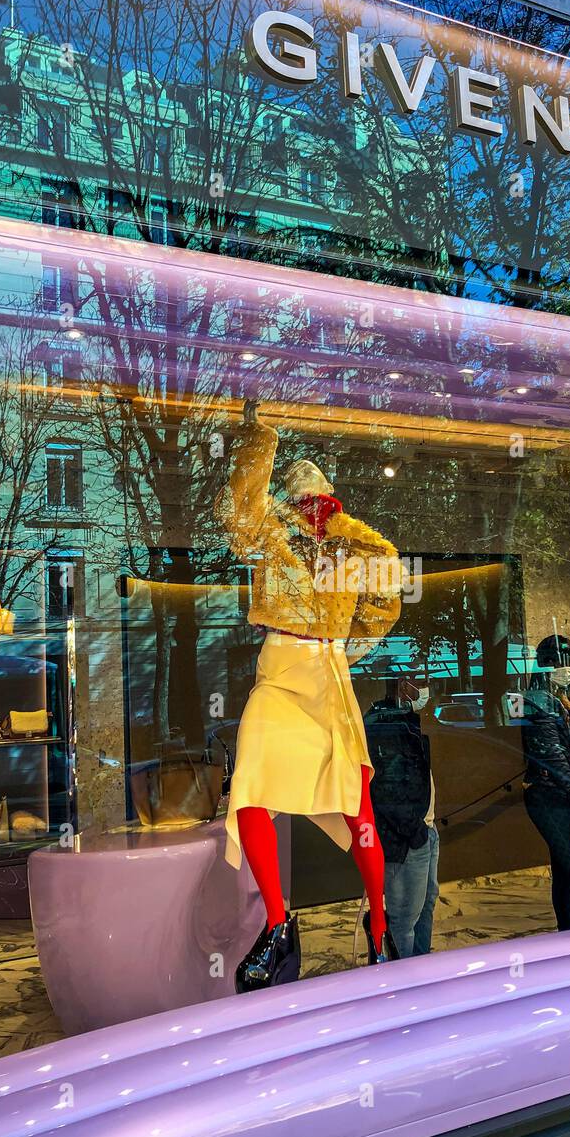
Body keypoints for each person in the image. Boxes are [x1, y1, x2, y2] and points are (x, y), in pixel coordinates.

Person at [215, 401, 403, 991]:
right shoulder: (271, 540)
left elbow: (390, 578)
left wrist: (338, 524)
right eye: (303, 504)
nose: (310, 512)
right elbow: (240, 512)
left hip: (327, 677)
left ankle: (377, 922)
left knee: (356, 806)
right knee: (249, 788)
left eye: (319, 502)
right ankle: (276, 925)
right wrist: (257, 437)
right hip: (280, 674)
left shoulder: (350, 549)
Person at [521, 634, 570, 931]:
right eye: (557, 663)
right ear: (544, 666)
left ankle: (568, 936)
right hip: (549, 796)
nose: (565, 669)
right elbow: (553, 758)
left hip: (565, 794)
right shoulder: (539, 701)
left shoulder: (569, 700)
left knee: (567, 871)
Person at [364, 673, 440, 957]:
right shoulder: (383, 722)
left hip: (424, 831)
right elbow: (384, 788)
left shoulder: (403, 718)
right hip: (406, 839)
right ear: (401, 684)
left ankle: (421, 974)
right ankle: (404, 987)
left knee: (425, 905)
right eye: (418, 681)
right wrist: (414, 831)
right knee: (404, 918)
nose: (425, 688)